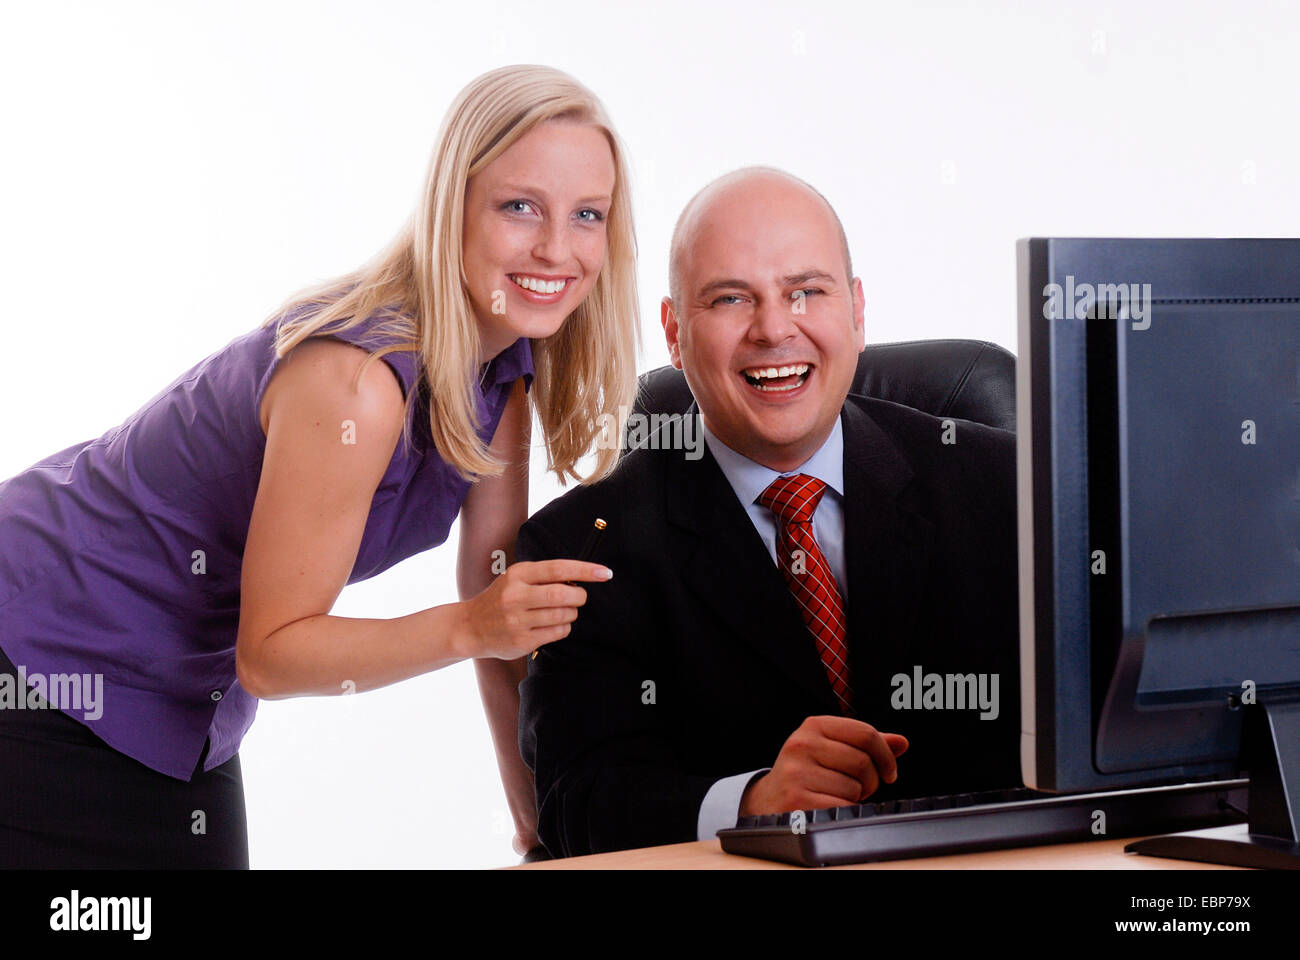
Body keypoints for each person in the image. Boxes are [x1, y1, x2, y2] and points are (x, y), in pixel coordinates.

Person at [0, 64, 637, 867]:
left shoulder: (502, 375)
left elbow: (491, 597)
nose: (557, 247)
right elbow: (272, 653)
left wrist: (540, 830)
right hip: (32, 651)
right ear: (453, 208)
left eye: (588, 215)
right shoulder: (358, 386)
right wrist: (474, 626)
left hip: (177, 711)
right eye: (520, 207)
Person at [516, 167, 1020, 858]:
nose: (774, 328)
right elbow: (578, 806)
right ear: (672, 331)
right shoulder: (583, 545)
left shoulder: (1005, 485)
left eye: (806, 292)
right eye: (729, 299)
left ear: (857, 310)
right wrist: (750, 802)